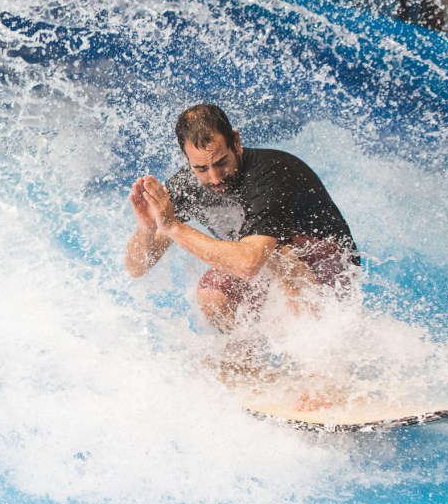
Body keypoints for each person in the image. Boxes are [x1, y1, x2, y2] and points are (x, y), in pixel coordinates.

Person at [125, 104, 360, 333]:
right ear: (187, 160)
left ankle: (313, 358)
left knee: (275, 254)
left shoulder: (271, 173)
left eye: (221, 163)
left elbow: (248, 264)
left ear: (236, 141)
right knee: (212, 293)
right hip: (269, 269)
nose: (215, 177)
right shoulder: (187, 185)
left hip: (333, 269)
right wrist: (146, 229)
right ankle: (247, 365)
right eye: (201, 168)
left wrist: (173, 227)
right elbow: (137, 267)